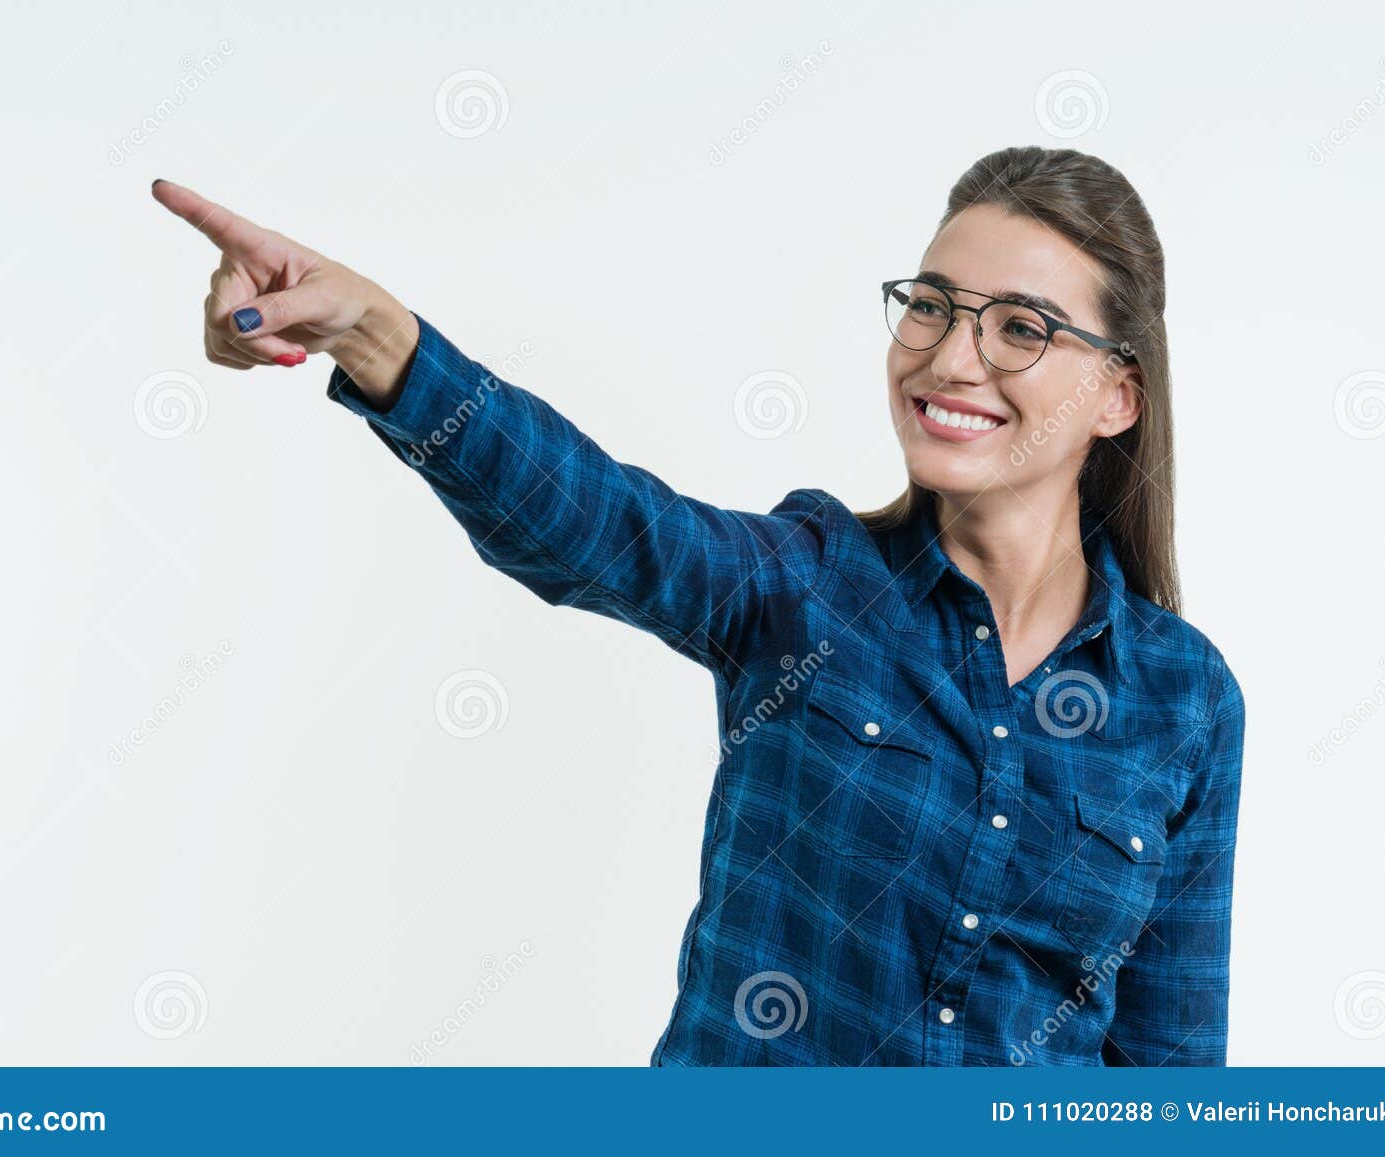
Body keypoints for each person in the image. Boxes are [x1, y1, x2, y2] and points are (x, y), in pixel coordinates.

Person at [150, 144, 1245, 1066]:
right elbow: (600, 523)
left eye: (1019, 327)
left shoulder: (1184, 699)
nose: (949, 357)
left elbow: (1168, 1075)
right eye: (929, 307)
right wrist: (375, 334)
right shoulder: (807, 584)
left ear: (1116, 392)